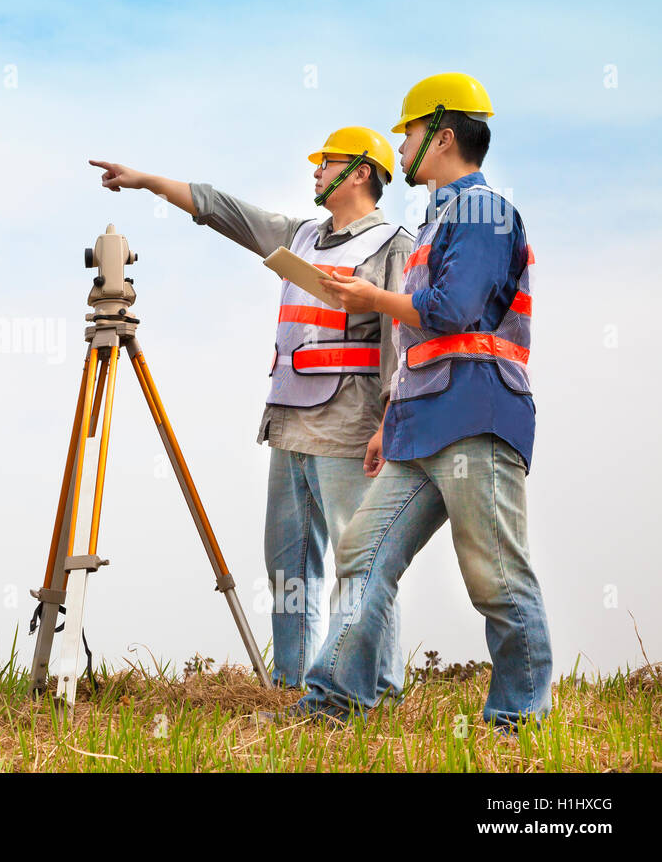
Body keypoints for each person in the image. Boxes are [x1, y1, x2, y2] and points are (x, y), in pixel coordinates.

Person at [89, 127, 412, 692]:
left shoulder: (393, 246)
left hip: (350, 428)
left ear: (360, 172)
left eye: (326, 162)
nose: (315, 171)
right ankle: (295, 686)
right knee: (288, 569)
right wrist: (148, 183)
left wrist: (390, 419)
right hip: (288, 422)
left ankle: (374, 688)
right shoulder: (302, 235)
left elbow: (400, 343)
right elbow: (225, 211)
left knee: (359, 564)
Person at [291, 73, 553, 731]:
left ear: (440, 133)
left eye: (408, 132)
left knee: (495, 577)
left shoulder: (483, 211)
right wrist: (390, 419)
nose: (401, 146)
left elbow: (454, 312)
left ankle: (517, 723)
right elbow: (420, 340)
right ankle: (333, 703)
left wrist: (369, 299)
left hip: (477, 416)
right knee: (362, 556)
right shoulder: (438, 222)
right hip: (421, 425)